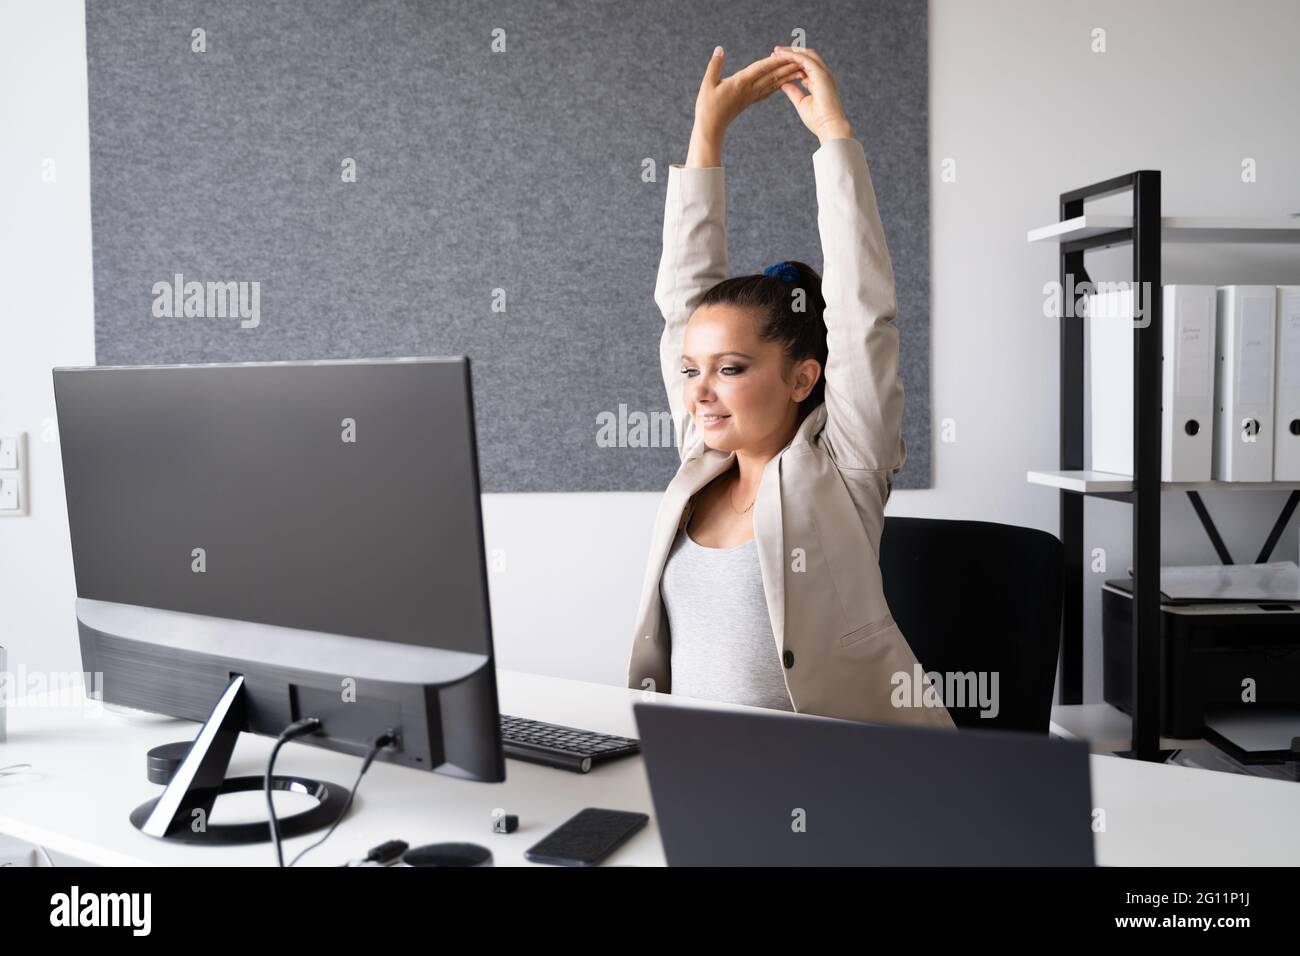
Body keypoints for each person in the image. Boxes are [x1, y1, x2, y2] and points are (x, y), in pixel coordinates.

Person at [627, 44, 954, 728]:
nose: (699, 391)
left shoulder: (844, 468)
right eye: (694, 370)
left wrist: (835, 137)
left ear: (804, 378)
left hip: (834, 787)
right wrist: (707, 134)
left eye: (732, 369)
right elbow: (682, 301)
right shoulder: (701, 461)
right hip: (700, 780)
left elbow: (864, 310)